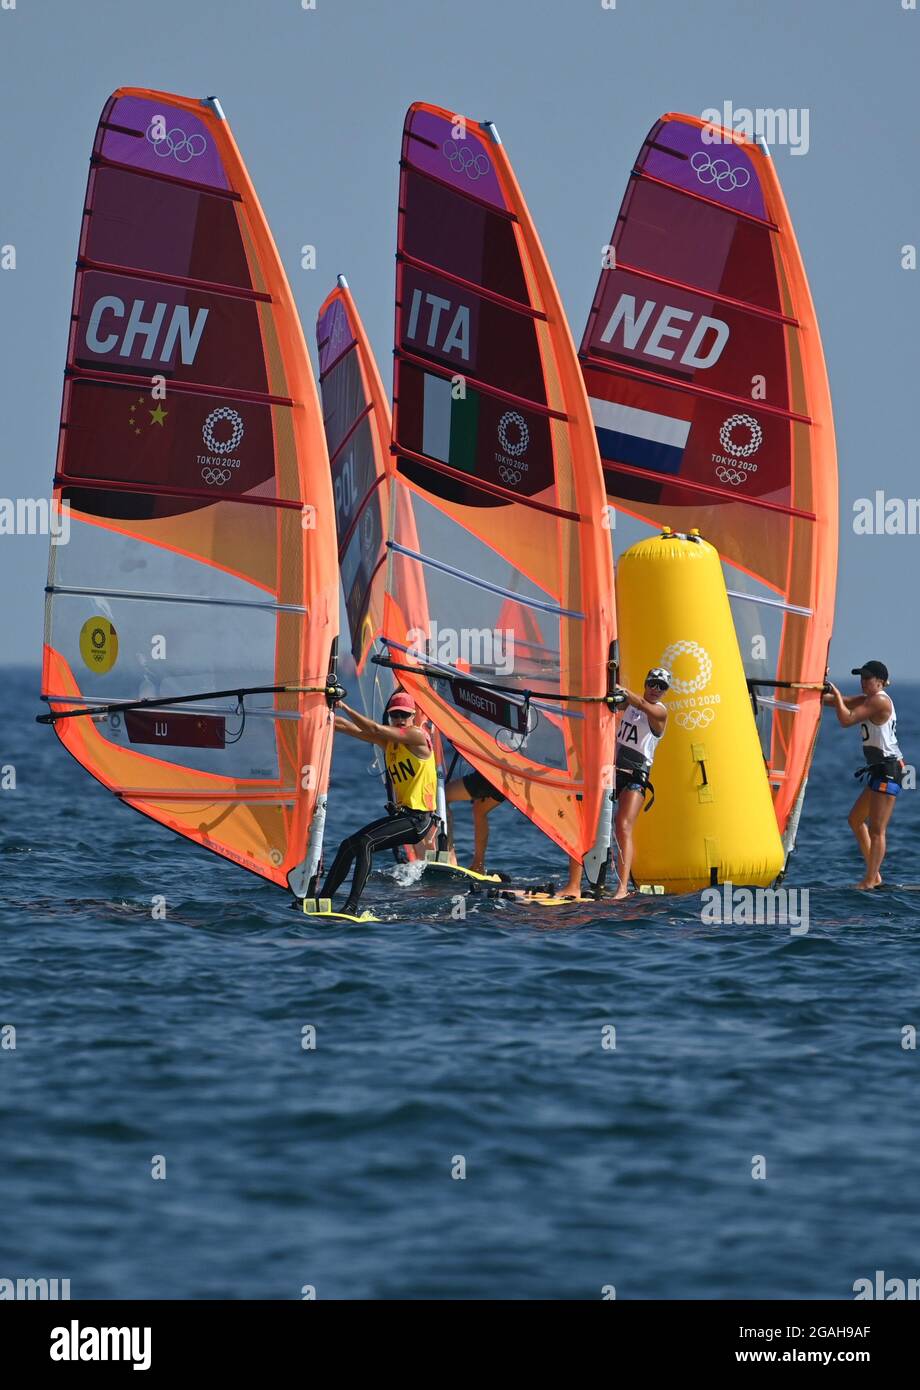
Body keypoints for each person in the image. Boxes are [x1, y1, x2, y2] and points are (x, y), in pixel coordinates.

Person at [318, 691, 437, 914]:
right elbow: (346, 727)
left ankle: (351, 907)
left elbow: (373, 729)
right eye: (395, 715)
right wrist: (323, 711)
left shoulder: (418, 736)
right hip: (404, 817)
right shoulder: (390, 743)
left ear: (413, 716)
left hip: (419, 819)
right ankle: (321, 900)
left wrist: (344, 706)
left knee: (365, 843)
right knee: (347, 845)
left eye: (405, 714)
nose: (400, 719)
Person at [824, 660, 904, 890]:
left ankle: (870, 880)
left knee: (877, 830)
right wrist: (817, 692)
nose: (863, 682)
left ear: (880, 682)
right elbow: (843, 703)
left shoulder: (879, 700)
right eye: (861, 677)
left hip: (888, 771)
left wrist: (836, 692)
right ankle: (874, 875)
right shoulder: (870, 699)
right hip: (879, 771)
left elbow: (846, 718)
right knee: (855, 820)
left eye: (867, 678)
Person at [610, 668, 670, 900]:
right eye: (653, 684)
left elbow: (642, 705)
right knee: (595, 821)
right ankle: (586, 877)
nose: (656, 690)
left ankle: (622, 888)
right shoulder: (631, 705)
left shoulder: (659, 713)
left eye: (662, 687)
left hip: (636, 775)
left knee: (623, 825)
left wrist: (624, 692)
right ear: (646, 683)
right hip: (614, 770)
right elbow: (616, 704)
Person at [444, 765, 506, 876]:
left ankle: (450, 859)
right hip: (508, 779)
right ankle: (478, 865)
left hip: (491, 774)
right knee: (479, 811)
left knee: (442, 797)